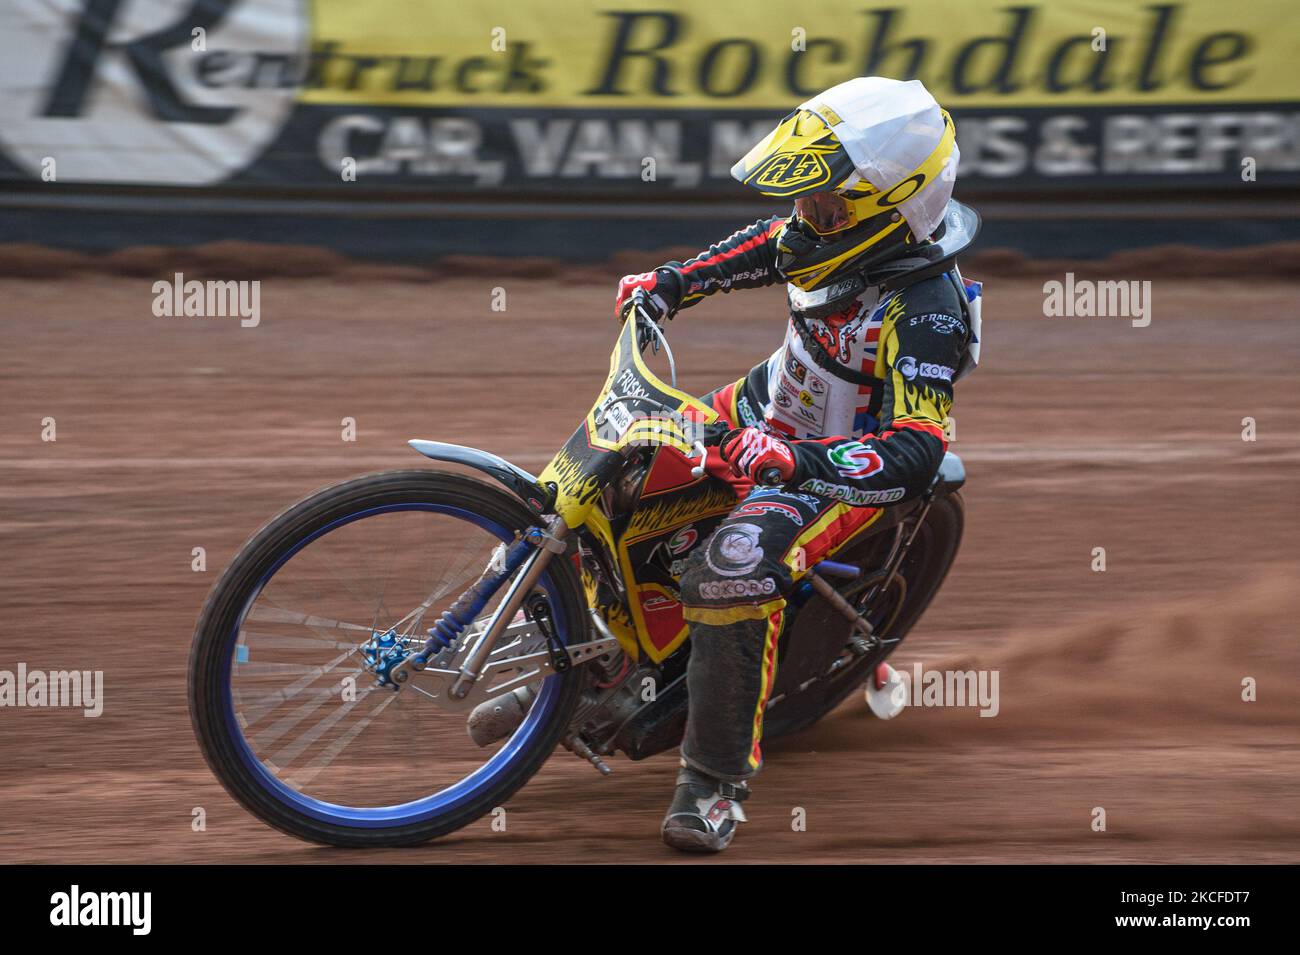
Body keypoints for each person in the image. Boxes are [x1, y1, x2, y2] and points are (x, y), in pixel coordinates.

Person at [612, 76, 985, 853]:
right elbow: (769, 246)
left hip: (834, 468)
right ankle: (584, 668)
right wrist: (674, 281)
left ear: (892, 208)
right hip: (766, 404)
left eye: (825, 205)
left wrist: (796, 457)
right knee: (623, 468)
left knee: (728, 571)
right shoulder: (825, 233)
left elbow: (919, 450)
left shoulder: (927, 311)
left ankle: (712, 785)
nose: (806, 218)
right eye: (807, 200)